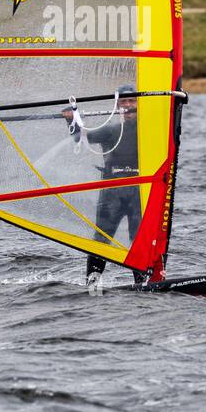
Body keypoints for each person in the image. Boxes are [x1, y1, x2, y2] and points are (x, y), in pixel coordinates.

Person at [61, 85, 144, 287]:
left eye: (131, 101)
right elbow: (79, 137)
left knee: (140, 238)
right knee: (101, 238)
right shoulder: (111, 130)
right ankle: (92, 283)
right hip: (112, 192)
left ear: (139, 104)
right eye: (123, 102)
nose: (128, 105)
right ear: (117, 107)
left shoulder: (148, 129)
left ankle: (144, 282)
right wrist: (71, 120)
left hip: (139, 192)